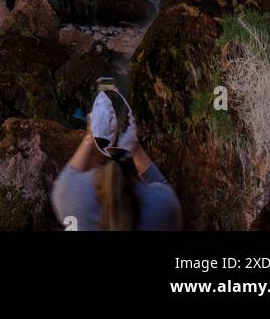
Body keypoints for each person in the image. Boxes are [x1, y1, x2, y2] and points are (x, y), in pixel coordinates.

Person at [51, 91, 182, 231]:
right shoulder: (163, 206)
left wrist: (89, 137)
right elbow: (161, 184)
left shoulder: (68, 196)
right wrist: (135, 147)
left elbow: (69, 174)